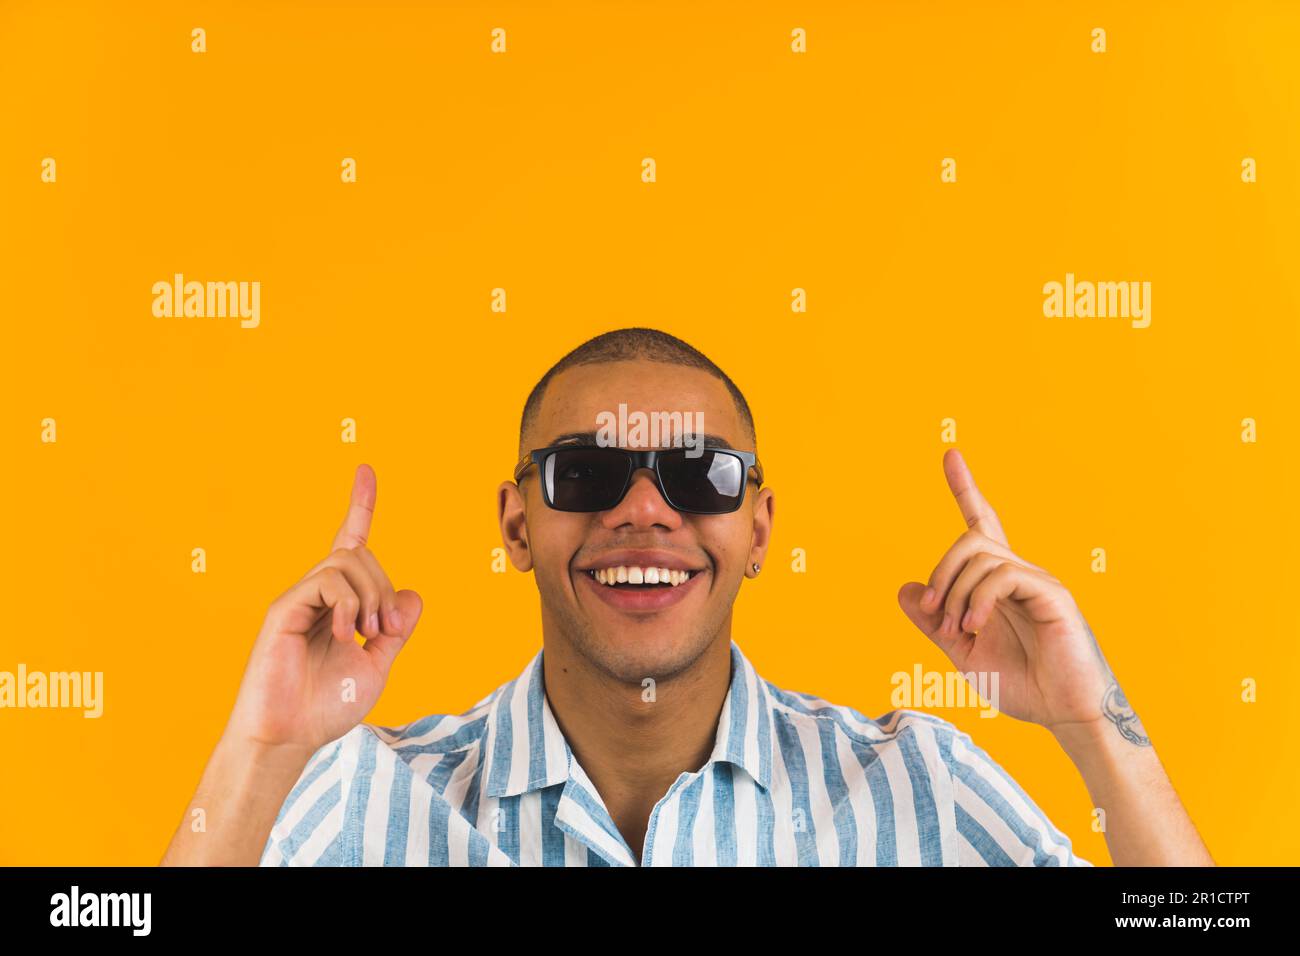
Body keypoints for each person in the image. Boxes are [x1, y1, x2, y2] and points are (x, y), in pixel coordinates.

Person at [161, 328, 1214, 866]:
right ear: (517, 522)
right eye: (586, 472)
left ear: (756, 527)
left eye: (698, 473)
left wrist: (1094, 724)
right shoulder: (366, 802)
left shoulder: (917, 786)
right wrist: (259, 753)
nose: (644, 510)